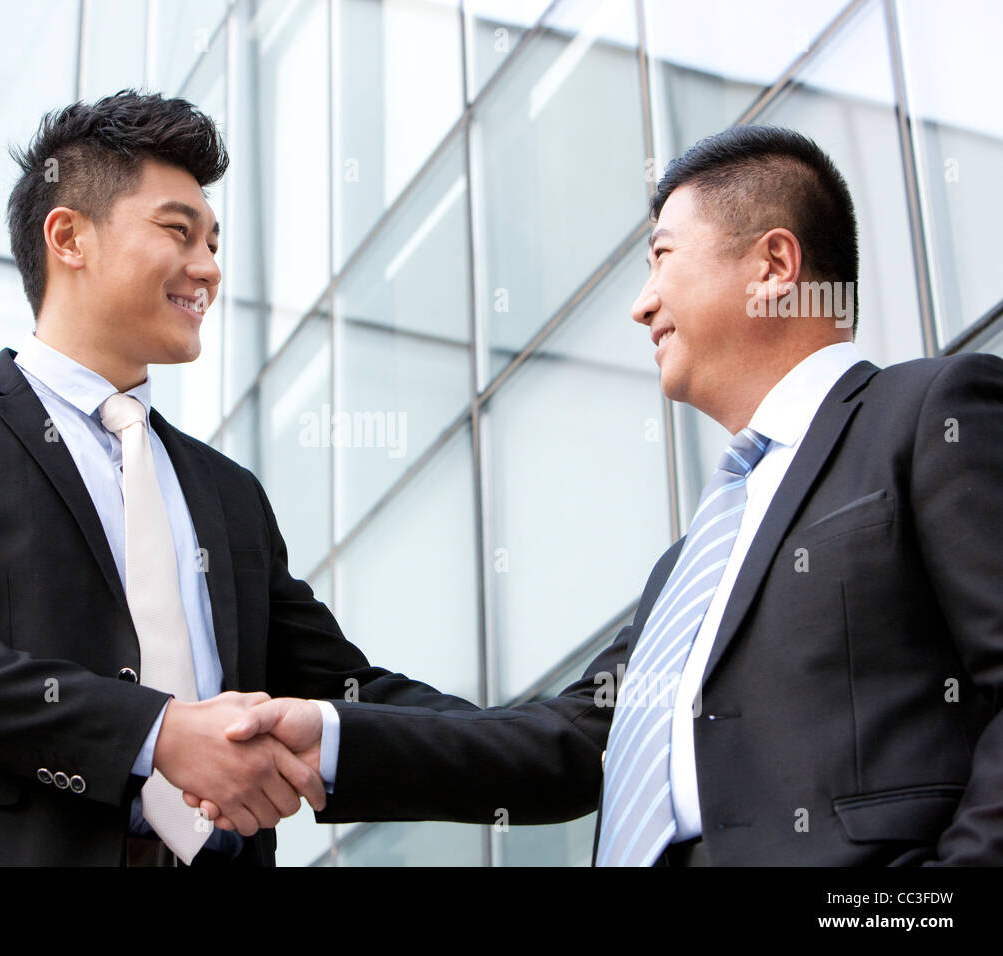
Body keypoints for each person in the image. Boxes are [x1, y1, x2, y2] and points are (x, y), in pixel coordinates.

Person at [193, 125, 1003, 866]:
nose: (642, 302)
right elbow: (561, 744)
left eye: (662, 258)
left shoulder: (931, 413)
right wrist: (329, 734)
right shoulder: (690, 566)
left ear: (774, 265)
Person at [0, 90, 472, 867]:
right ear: (69, 237)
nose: (207, 267)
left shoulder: (228, 496)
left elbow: (348, 689)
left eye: (213, 241)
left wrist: (559, 734)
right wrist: (158, 732)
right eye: (179, 231)